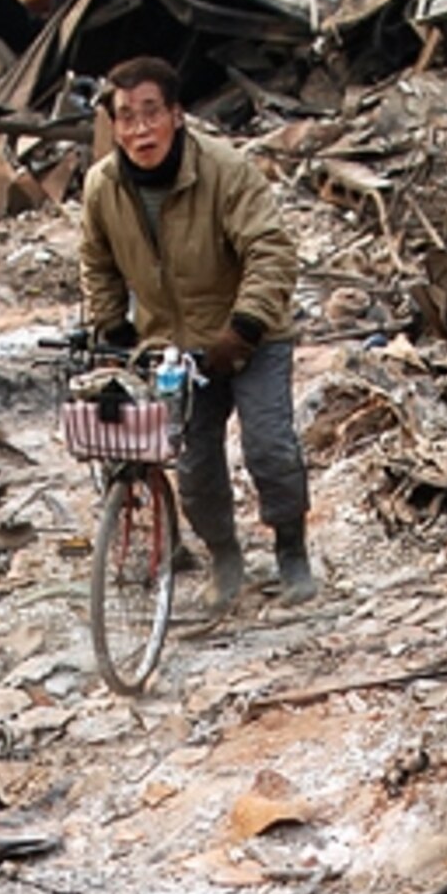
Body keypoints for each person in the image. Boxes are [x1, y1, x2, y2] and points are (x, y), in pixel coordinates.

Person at [76, 56, 315, 611]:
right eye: (127, 117)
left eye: (151, 113)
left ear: (177, 115)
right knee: (193, 463)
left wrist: (245, 326)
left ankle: (291, 550)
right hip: (173, 349)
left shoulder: (224, 170)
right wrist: (112, 327)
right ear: (113, 125)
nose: (140, 130)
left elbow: (270, 249)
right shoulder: (102, 187)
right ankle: (224, 557)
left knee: (270, 447)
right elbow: (98, 263)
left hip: (249, 336)